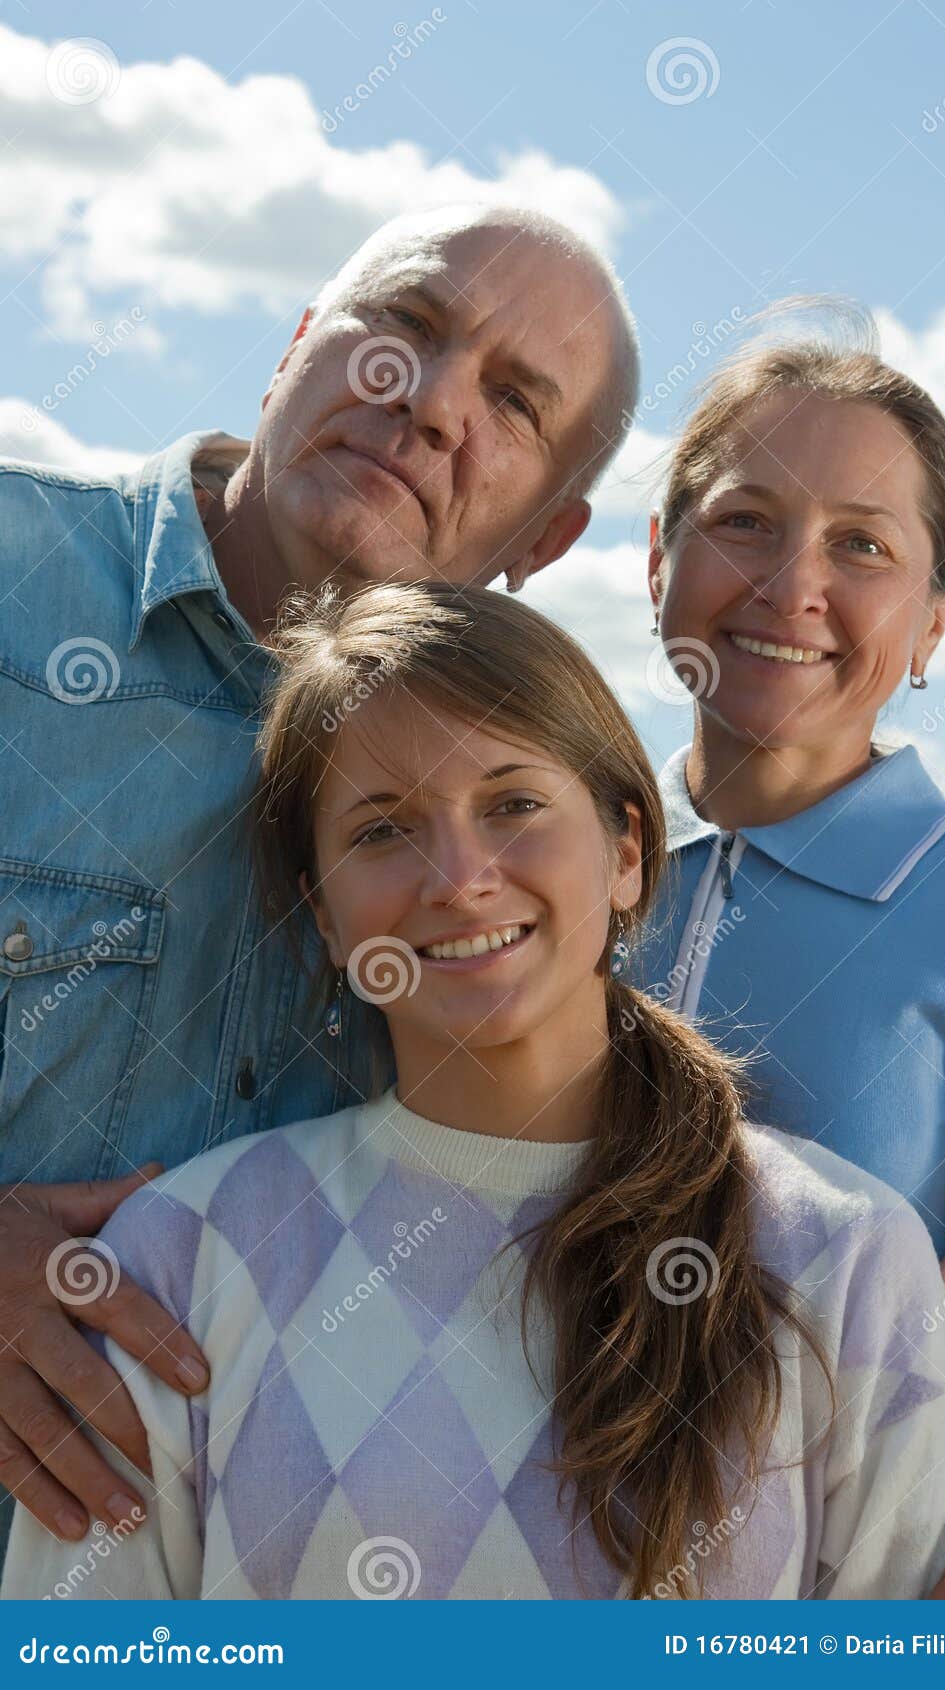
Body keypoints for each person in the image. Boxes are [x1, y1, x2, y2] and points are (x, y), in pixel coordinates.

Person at [1, 583, 945, 1600]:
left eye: (513, 803)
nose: (458, 876)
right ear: (323, 914)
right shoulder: (175, 1261)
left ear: (628, 853)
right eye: (381, 831)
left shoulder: (848, 1257)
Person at [0, 202, 638, 1567]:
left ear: (549, 532)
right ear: (297, 342)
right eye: (403, 324)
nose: (428, 399)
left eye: (515, 401)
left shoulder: (510, 865)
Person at [635, 329, 945, 1597]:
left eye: (861, 544)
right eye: (744, 519)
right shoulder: (542, 873)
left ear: (932, 622)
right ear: (658, 559)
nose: (790, 584)